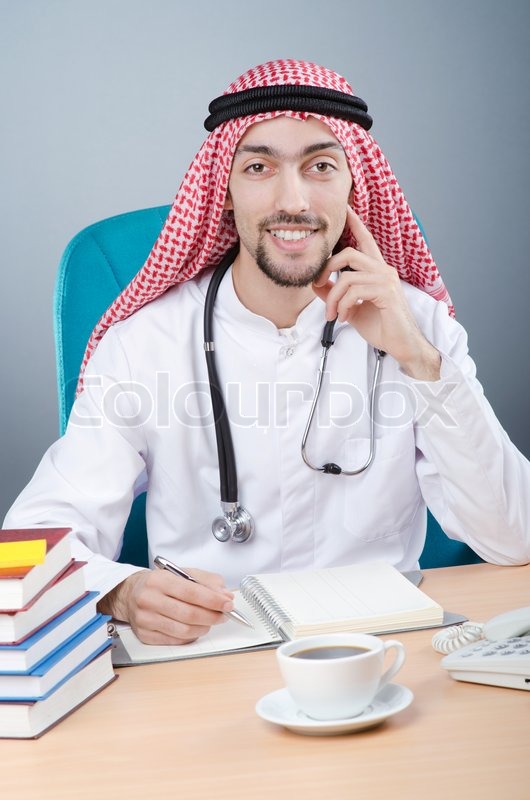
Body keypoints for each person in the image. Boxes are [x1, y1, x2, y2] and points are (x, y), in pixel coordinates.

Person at [4, 60, 529, 646]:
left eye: (321, 166)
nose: (294, 200)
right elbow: (25, 545)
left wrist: (421, 362)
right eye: (259, 167)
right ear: (222, 193)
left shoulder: (418, 325)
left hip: (387, 653)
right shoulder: (144, 344)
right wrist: (117, 591)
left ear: (356, 186)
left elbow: (514, 539)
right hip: (205, 661)